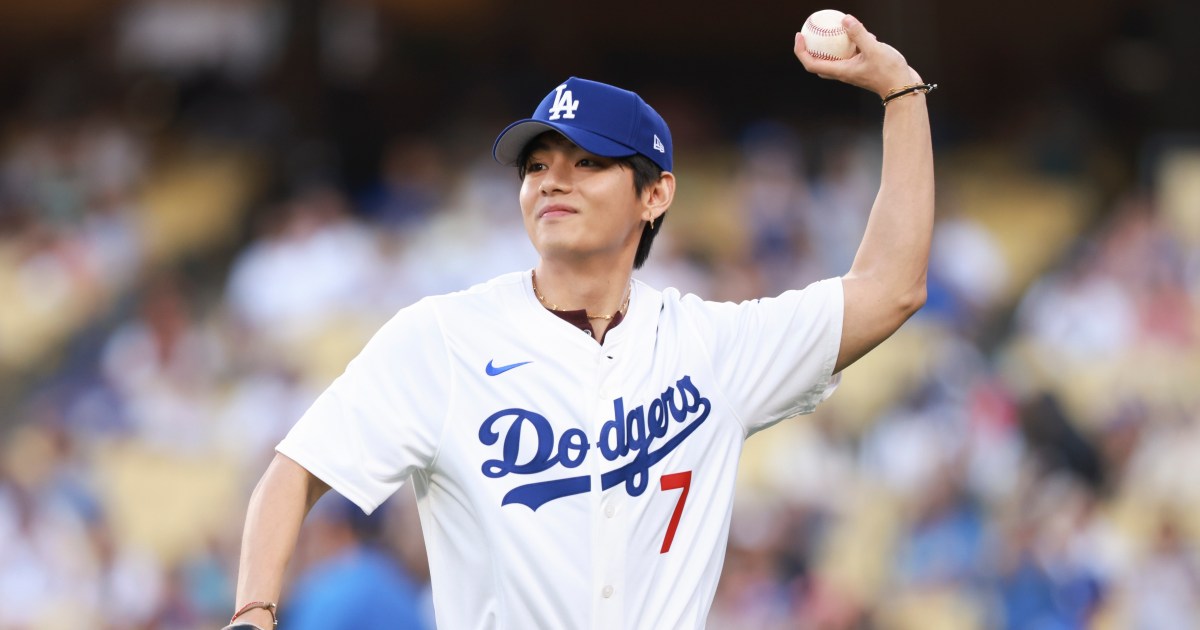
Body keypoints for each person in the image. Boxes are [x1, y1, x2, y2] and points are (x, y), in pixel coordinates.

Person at [226, 14, 934, 630]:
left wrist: (901, 93)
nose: (552, 180)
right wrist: (253, 612)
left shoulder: (711, 348)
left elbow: (890, 289)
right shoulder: (442, 339)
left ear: (655, 194)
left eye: (588, 161)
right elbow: (296, 470)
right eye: (536, 164)